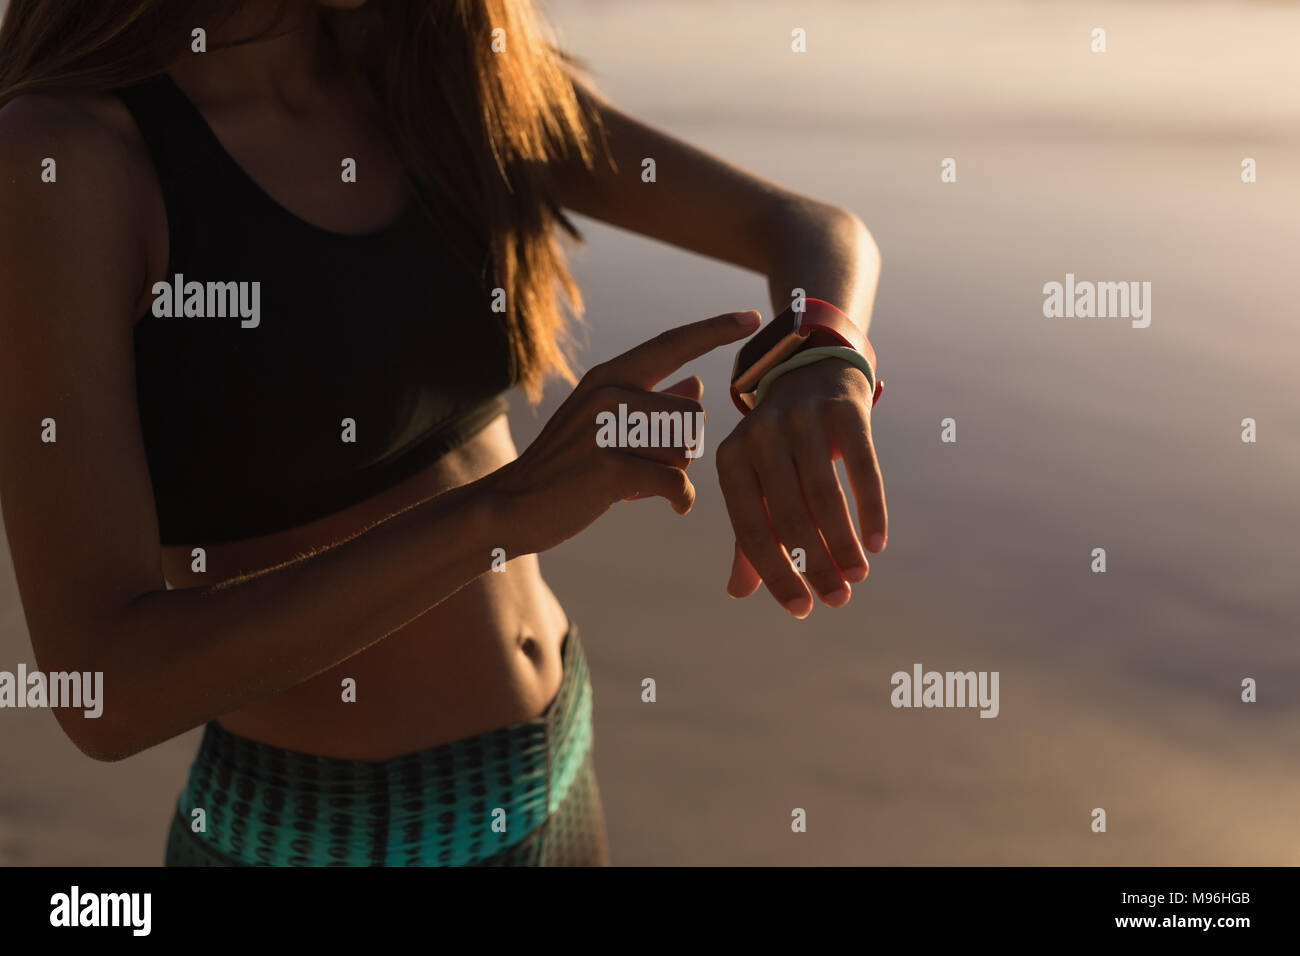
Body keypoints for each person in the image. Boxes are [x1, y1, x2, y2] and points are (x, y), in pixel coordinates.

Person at [0, 0, 888, 866]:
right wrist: (497, 518)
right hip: (322, 839)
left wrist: (818, 355)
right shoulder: (63, 157)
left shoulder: (429, 68)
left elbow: (809, 229)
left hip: (559, 765)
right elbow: (104, 693)